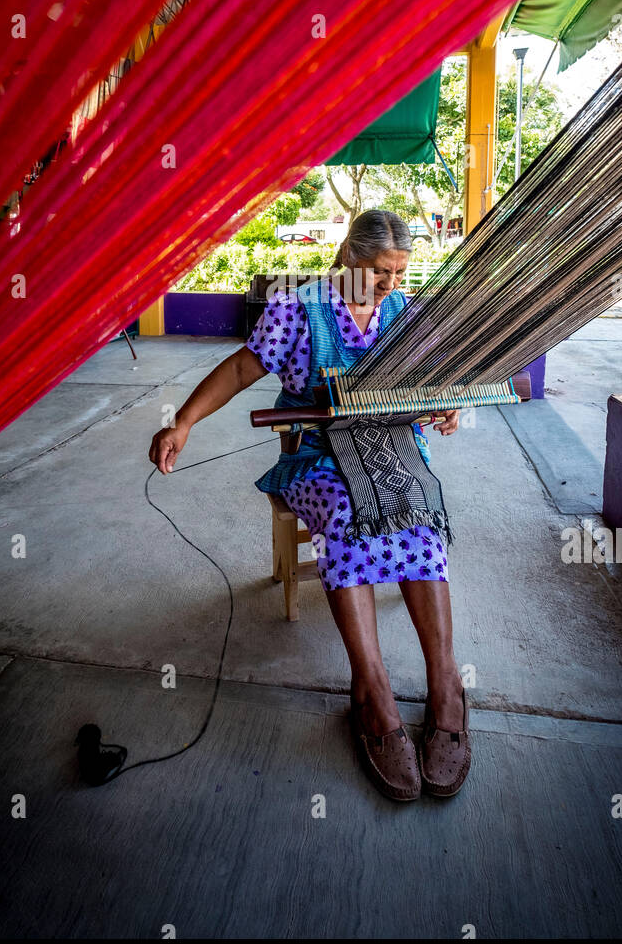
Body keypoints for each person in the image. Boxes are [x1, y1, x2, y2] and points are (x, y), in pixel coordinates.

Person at [148, 209, 470, 802]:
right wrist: (183, 420)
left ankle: (446, 685)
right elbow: (245, 367)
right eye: (378, 272)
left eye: (399, 272)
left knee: (420, 513)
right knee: (347, 519)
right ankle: (372, 692)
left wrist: (446, 405)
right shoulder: (298, 308)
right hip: (318, 454)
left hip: (393, 445)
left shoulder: (402, 311)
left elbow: (434, 379)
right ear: (349, 260)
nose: (390, 285)